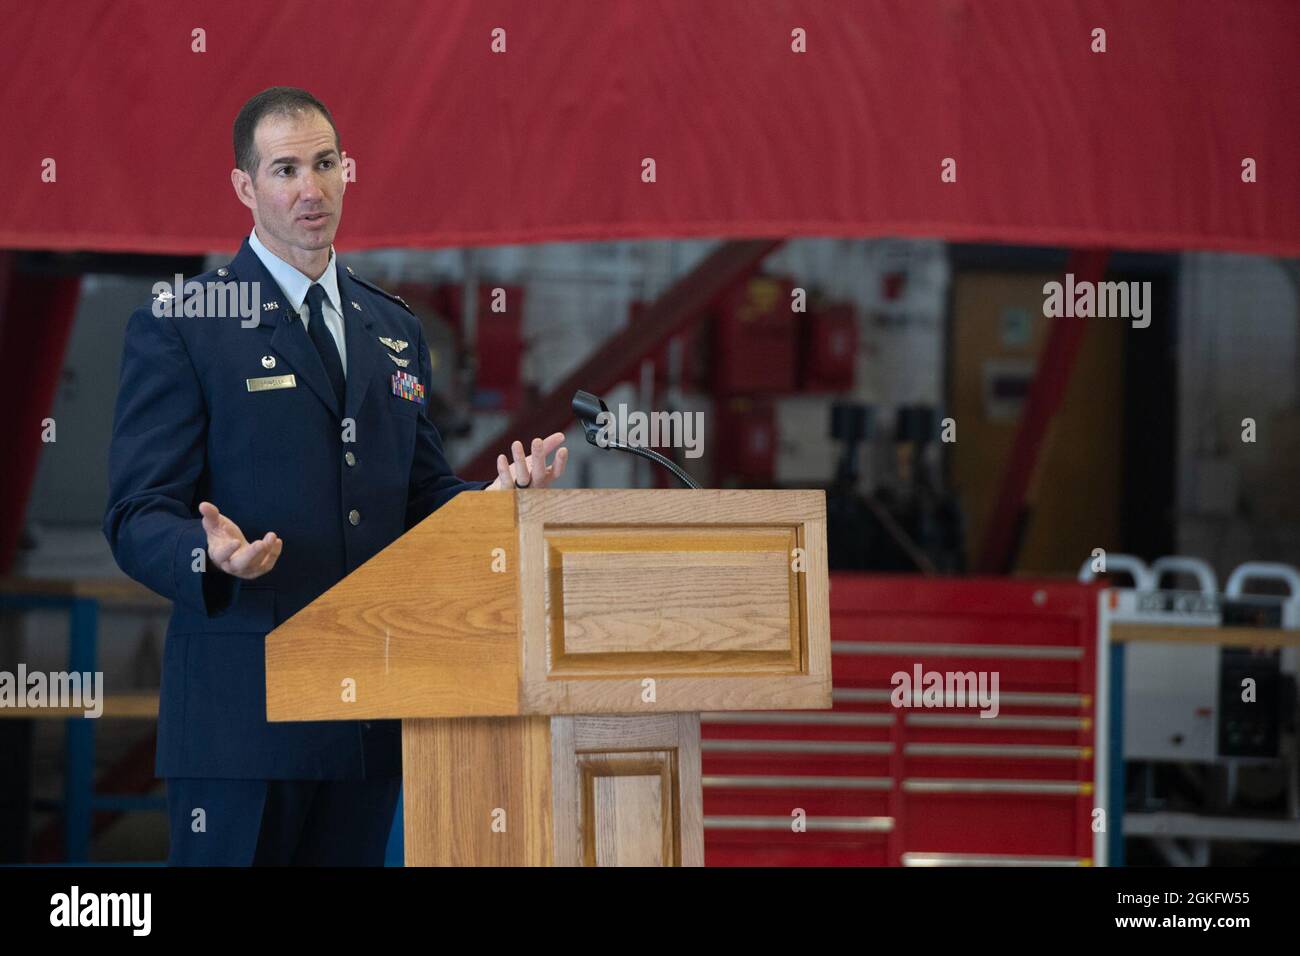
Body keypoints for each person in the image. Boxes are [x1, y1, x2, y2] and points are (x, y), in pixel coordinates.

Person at [103, 86, 566, 865]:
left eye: (324, 164)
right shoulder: (182, 324)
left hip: (367, 719)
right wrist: (207, 555)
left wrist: (493, 503)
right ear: (245, 188)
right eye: (285, 169)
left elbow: (417, 500)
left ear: (350, 171)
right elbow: (135, 513)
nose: (309, 189)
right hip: (242, 722)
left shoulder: (393, 330)